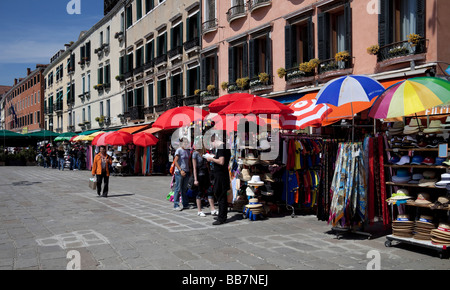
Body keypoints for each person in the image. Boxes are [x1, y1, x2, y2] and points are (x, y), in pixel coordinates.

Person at [206, 132, 231, 225]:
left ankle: (222, 218)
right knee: (221, 195)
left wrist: (211, 159)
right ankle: (222, 215)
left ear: (214, 140)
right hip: (222, 175)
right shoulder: (224, 147)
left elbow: (221, 161)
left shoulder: (221, 147)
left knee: (221, 196)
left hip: (220, 175)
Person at [191, 138, 217, 217]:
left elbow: (208, 166)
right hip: (199, 175)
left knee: (210, 191)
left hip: (206, 174)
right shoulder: (195, 154)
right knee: (200, 192)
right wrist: (195, 179)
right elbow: (194, 168)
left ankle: (213, 209)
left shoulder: (205, 153)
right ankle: (199, 210)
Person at [173, 137, 191, 211]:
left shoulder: (187, 151)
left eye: (187, 142)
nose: (186, 144)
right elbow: (175, 161)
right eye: (185, 142)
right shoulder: (179, 150)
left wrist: (190, 170)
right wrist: (180, 170)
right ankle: (176, 204)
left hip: (186, 171)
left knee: (184, 189)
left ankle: (185, 204)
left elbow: (188, 161)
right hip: (179, 172)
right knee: (178, 188)